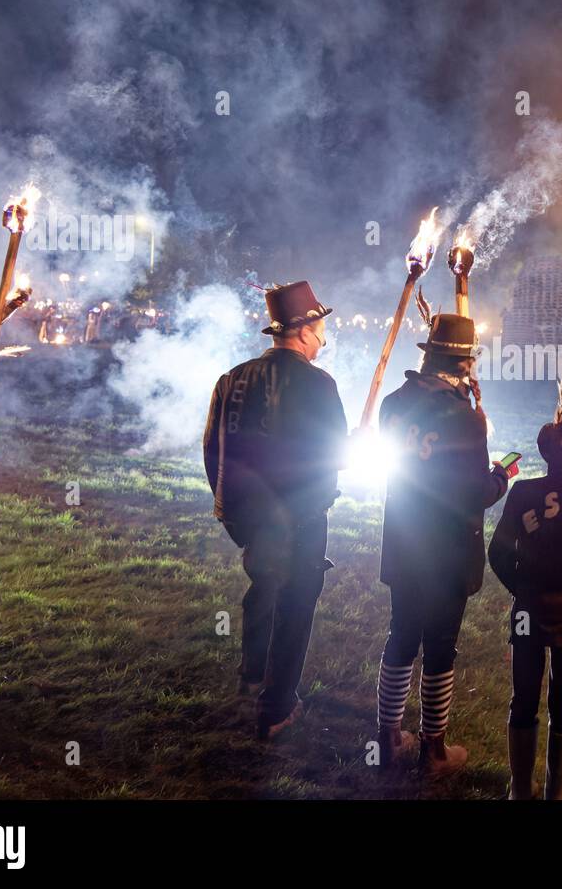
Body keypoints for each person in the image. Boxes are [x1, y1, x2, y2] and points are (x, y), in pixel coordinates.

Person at [203, 280, 347, 741]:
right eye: (320, 327)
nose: (323, 337)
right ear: (304, 330)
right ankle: (278, 706)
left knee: (263, 586)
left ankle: (253, 675)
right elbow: (332, 453)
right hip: (300, 515)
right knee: (296, 603)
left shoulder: (232, 378)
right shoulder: (318, 383)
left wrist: (232, 510)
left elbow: (213, 450)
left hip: (249, 515)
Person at [374, 312, 511, 775]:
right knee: (440, 646)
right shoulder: (465, 416)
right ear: (462, 364)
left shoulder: (394, 402)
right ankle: (433, 749)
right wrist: (502, 476)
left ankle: (387, 736)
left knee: (401, 636)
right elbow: (474, 492)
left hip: (406, 537)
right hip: (449, 549)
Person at [488, 371, 562, 800]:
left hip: (526, 609)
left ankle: (520, 787)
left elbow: (498, 553)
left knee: (523, 694)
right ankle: (557, 788)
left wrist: (524, 589)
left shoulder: (521, 493)